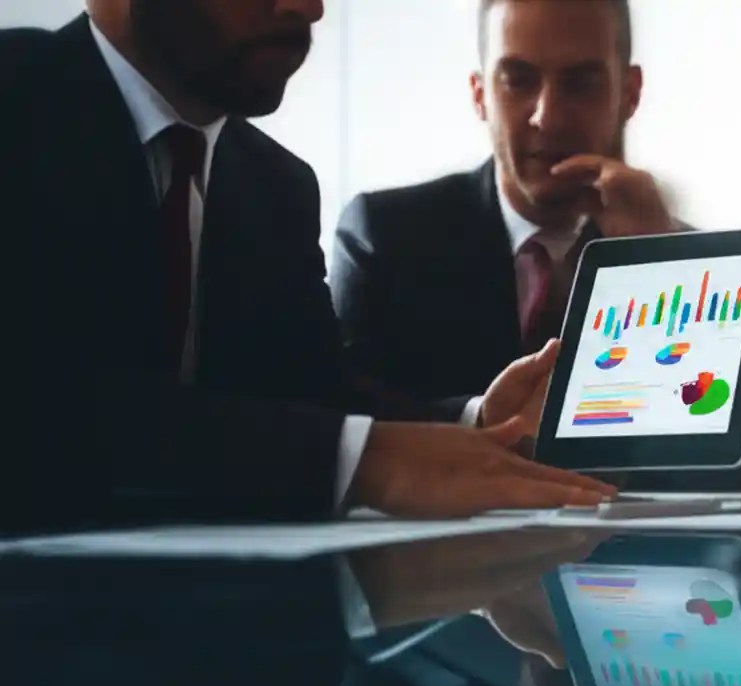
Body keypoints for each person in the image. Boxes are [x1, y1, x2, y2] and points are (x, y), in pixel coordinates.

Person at [0, 0, 614, 533]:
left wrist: (475, 419)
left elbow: (311, 394)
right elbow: (42, 407)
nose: (309, 8)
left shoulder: (274, 184)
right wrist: (357, 461)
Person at [330, 0, 741, 491]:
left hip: (630, 561)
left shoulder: (682, 256)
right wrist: (479, 419)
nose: (547, 117)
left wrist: (660, 265)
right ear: (480, 93)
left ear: (630, 94)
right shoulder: (385, 236)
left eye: (581, 83)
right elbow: (339, 427)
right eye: (518, 79)